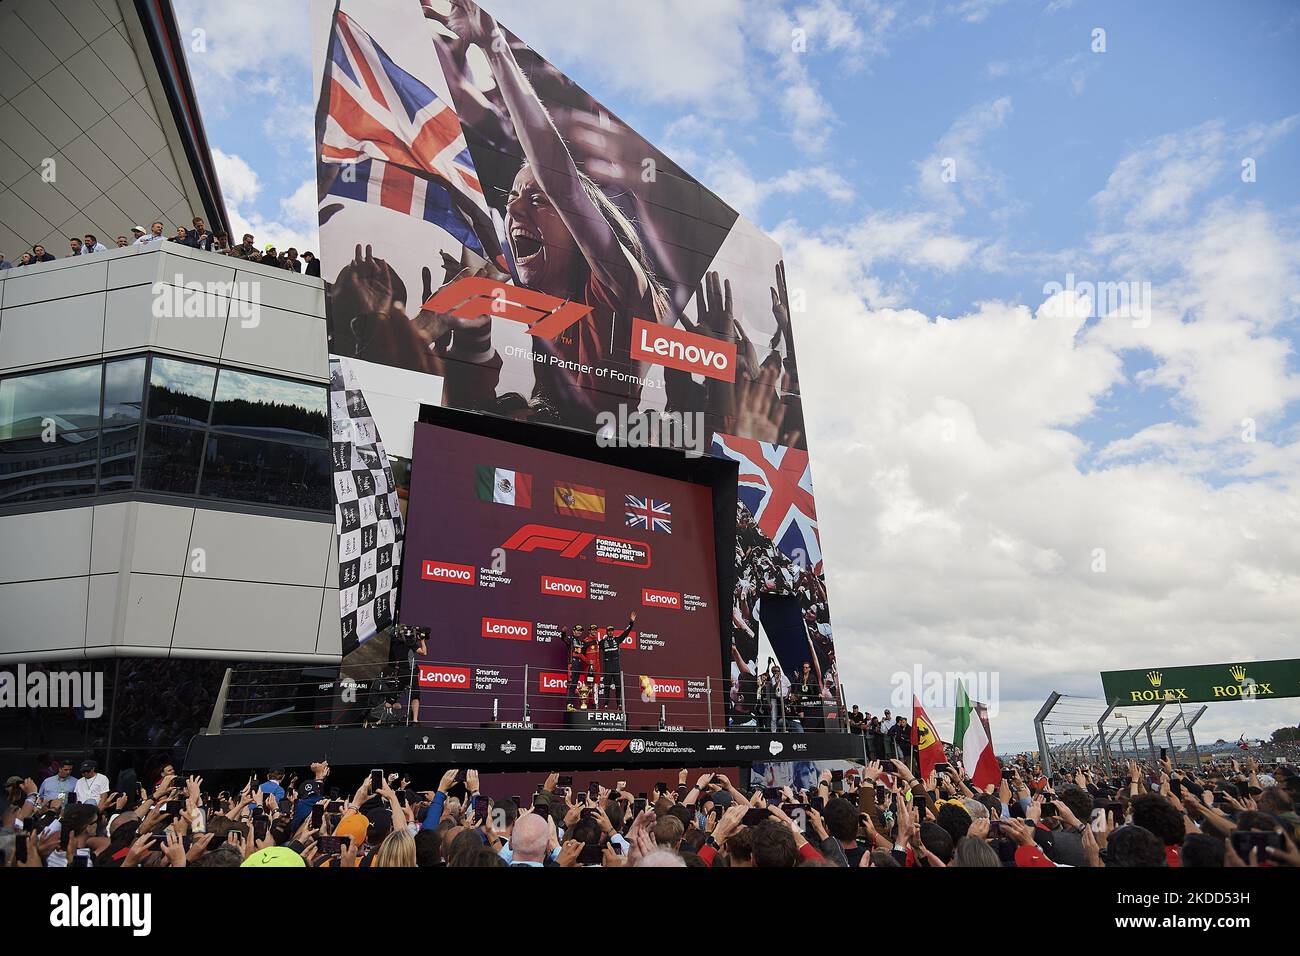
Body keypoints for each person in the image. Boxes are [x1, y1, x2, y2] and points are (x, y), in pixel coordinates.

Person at [598, 611, 636, 710]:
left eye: (612, 630)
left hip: (616, 666)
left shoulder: (617, 640)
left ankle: (619, 704)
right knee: (606, 687)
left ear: (613, 631)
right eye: (609, 630)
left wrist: (631, 622)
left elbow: (626, 632)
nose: (610, 632)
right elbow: (593, 648)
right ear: (606, 632)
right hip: (607, 666)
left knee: (618, 686)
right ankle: (605, 705)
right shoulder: (602, 642)